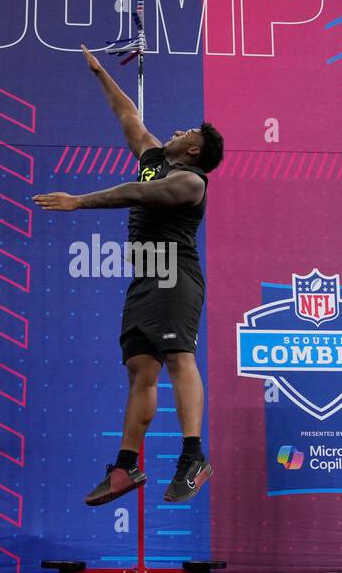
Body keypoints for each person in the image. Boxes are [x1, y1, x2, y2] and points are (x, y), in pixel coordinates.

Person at [34, 44, 223, 507]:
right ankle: (125, 465)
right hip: (145, 277)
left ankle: (193, 456)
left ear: (194, 149)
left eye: (188, 131)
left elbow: (137, 193)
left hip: (175, 273)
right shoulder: (156, 157)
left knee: (178, 358)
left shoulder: (190, 181)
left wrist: (80, 200)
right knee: (141, 370)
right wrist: (100, 73)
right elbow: (128, 115)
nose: (178, 130)